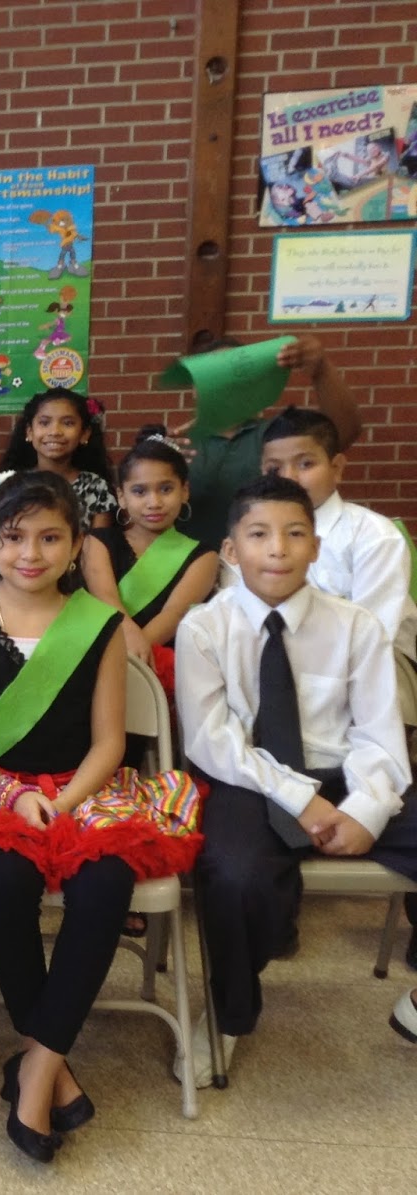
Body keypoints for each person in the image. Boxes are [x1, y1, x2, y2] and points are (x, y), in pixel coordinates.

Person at [0, 471, 200, 1164]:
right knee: (6, 885)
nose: (31, 553)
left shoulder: (98, 624)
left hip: (86, 787)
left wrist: (66, 803)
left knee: (104, 887)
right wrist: (10, 794)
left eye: (51, 538)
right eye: (14, 537)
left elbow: (111, 740)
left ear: (77, 545)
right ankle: (52, 1066)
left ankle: (37, 1068)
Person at [178, 474, 417, 1084]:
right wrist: (299, 800)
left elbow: (379, 734)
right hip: (251, 779)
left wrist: (365, 810)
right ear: (232, 551)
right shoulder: (205, 627)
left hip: (346, 774)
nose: (277, 549)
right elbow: (214, 739)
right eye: (258, 535)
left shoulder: (356, 626)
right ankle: (229, 1014)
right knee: (232, 874)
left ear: (316, 547)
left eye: (294, 534)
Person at [168, 333, 361, 550]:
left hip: (268, 568)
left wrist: (321, 371)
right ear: (195, 388)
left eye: (236, 376)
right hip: (191, 575)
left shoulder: (277, 436)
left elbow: (343, 433)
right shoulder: (177, 445)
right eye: (215, 376)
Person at [259, 406, 417, 662]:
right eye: (274, 469)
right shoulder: (252, 538)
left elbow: (376, 634)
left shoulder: (374, 535)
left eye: (306, 464)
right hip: (279, 665)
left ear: (337, 467)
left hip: (375, 665)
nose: (289, 478)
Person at [81, 426, 219, 692]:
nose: (154, 502)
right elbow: (105, 597)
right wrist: (128, 637)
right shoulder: (97, 541)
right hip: (94, 655)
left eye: (166, 489)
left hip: (158, 667)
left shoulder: (203, 556)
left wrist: (132, 658)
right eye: (140, 491)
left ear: (185, 491)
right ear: (121, 495)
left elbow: (174, 613)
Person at [0, 388, 116, 529]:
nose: (55, 432)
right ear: (29, 432)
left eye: (68, 423)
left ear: (84, 434)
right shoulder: (13, 484)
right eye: (44, 423)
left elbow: (100, 544)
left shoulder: (95, 487)